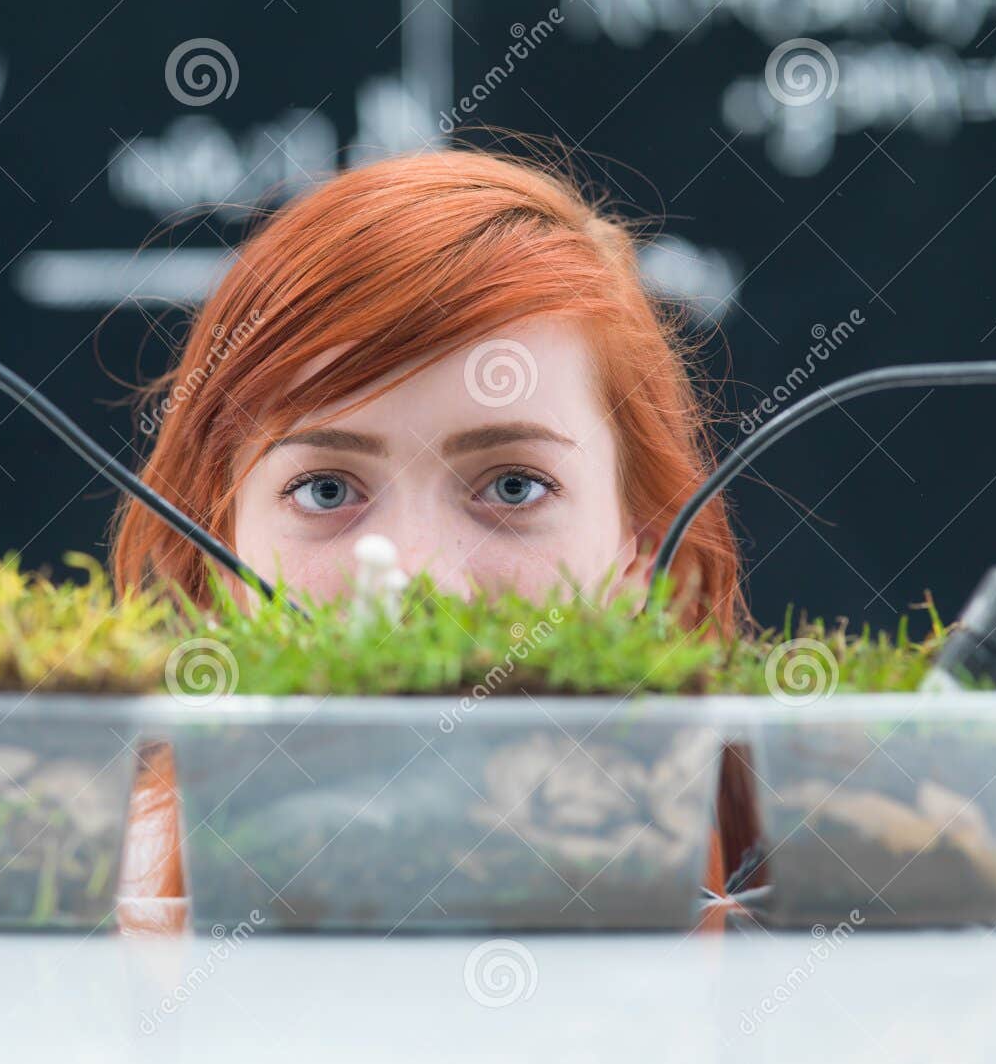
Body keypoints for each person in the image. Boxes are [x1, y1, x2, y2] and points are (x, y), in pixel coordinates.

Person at [110, 147, 746, 912]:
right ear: (220, 553)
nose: (416, 577)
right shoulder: (88, 922)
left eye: (514, 486)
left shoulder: (785, 924)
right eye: (324, 489)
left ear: (640, 551)